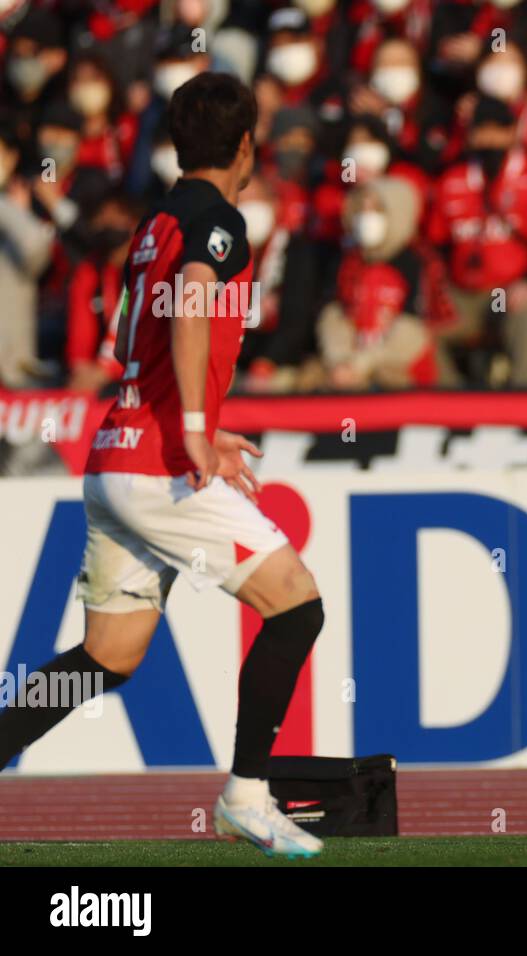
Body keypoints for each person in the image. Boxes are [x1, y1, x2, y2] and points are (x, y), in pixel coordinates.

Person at [0, 73, 326, 860]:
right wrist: (195, 432)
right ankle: (247, 796)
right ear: (246, 146)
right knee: (298, 607)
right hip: (160, 465)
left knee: (107, 657)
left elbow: (123, 343)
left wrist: (200, 417)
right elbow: (190, 303)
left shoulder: (150, 226)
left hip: (113, 457)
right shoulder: (219, 221)